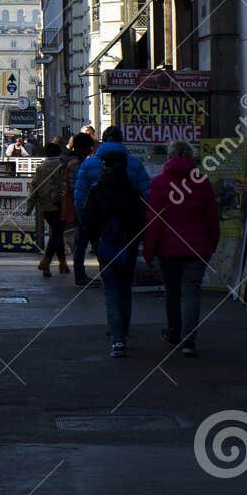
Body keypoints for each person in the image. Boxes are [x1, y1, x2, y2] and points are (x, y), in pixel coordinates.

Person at [74, 126, 152, 357]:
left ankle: (116, 337)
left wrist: (90, 231)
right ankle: (122, 333)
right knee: (125, 288)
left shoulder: (90, 168)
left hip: (104, 239)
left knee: (110, 290)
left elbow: (80, 199)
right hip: (128, 239)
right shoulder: (135, 170)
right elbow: (146, 200)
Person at [144, 140, 220, 357]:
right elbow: (212, 218)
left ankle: (174, 332)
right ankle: (189, 342)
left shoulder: (159, 183)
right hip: (197, 247)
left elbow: (153, 222)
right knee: (191, 293)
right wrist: (212, 243)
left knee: (172, 293)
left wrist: (149, 250)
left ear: (170, 156)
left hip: (168, 250)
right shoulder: (202, 182)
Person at [29, 141, 69, 277]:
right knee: (58, 233)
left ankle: (62, 264)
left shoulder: (41, 167)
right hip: (61, 203)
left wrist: (30, 206)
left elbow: (34, 186)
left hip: (45, 205)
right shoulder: (63, 165)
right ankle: (46, 261)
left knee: (56, 233)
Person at [63, 132, 97, 286]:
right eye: (89, 147)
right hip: (82, 208)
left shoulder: (71, 161)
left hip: (77, 206)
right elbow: (79, 188)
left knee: (81, 242)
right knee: (81, 242)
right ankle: (80, 275)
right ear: (83, 148)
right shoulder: (77, 164)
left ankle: (80, 275)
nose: (91, 150)